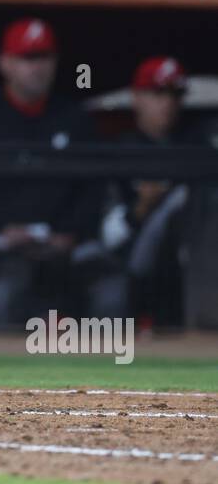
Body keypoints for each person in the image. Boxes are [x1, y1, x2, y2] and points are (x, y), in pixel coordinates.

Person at [0, 18, 101, 328]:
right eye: (27, 58)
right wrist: (3, 227)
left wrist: (70, 232)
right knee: (2, 300)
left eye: (44, 57)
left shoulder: (75, 119)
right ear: (5, 63)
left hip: (64, 246)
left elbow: (93, 188)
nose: (37, 67)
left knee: (110, 294)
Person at [100, 57, 207, 327]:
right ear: (136, 97)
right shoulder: (120, 152)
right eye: (158, 93)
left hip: (191, 264)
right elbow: (108, 238)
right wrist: (142, 207)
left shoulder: (197, 148)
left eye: (175, 94)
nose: (167, 103)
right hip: (129, 259)